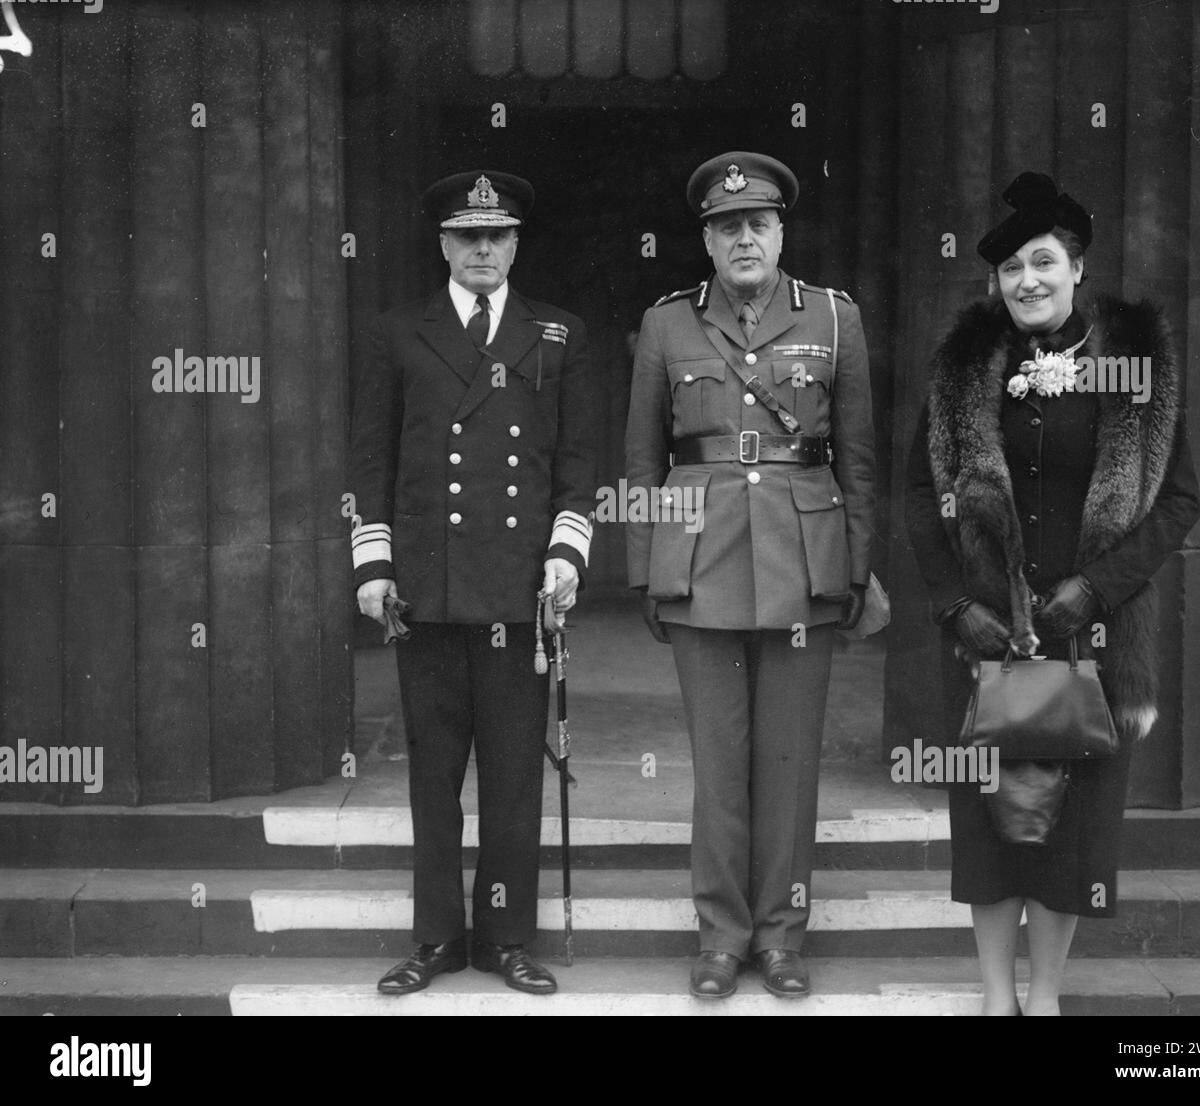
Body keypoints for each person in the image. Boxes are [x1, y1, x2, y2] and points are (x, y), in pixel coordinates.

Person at [905, 172, 1200, 1015]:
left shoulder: (1134, 368)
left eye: (1043, 263)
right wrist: (956, 606)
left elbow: (1181, 499)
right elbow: (921, 497)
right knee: (990, 824)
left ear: (1077, 267)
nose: (1027, 282)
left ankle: (1044, 999)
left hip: (1093, 642)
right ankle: (996, 999)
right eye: (1010, 271)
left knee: (1072, 833)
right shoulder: (966, 369)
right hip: (988, 635)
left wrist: (1098, 591)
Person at [625, 151, 876, 999]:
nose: (743, 239)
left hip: (804, 559)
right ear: (705, 237)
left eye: (757, 224)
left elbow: (860, 460)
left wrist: (856, 568)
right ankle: (720, 938)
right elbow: (642, 455)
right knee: (719, 761)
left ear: (780, 232)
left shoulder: (835, 319)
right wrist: (646, 574)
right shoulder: (666, 325)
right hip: (698, 560)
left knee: (789, 761)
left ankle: (781, 937)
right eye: (726, 226)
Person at [349, 169, 597, 996]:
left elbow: (574, 464)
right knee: (433, 773)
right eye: (467, 235)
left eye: (497, 235)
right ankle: (436, 940)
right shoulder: (396, 333)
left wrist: (568, 553)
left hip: (517, 591)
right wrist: (374, 563)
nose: (483, 247)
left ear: (517, 242)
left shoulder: (557, 332)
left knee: (514, 772)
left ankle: (505, 939)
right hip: (426, 587)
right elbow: (371, 457)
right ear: (444, 244)